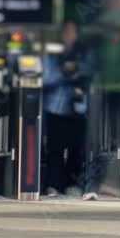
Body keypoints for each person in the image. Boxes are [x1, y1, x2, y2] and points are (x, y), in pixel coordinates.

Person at [42, 20, 94, 197]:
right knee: (55, 149)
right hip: (56, 108)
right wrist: (64, 74)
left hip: (78, 108)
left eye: (72, 32)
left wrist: (76, 72)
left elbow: (90, 71)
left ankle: (71, 184)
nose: (69, 36)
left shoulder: (84, 53)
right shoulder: (52, 54)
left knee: (76, 149)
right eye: (66, 32)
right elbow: (45, 78)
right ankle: (53, 185)